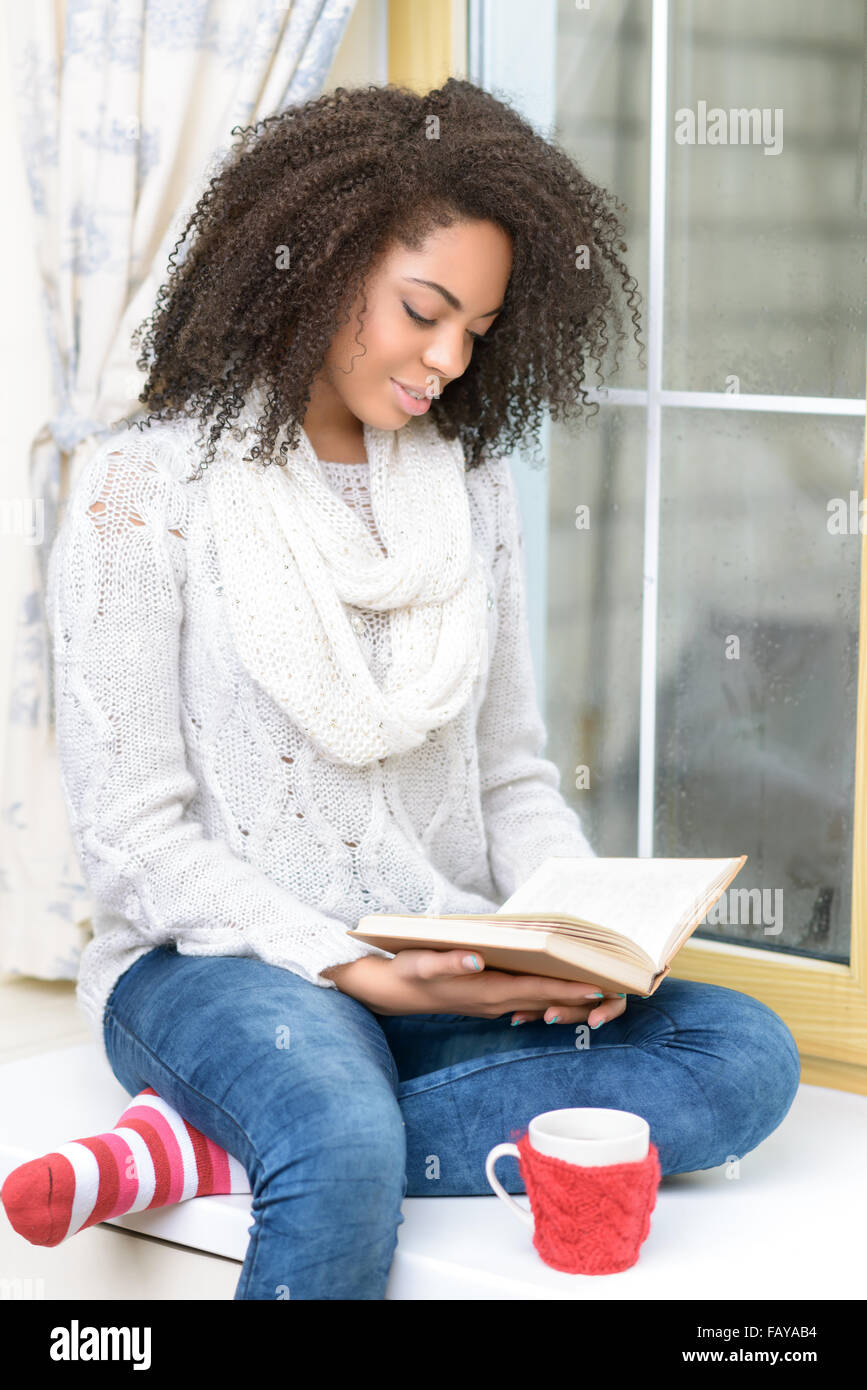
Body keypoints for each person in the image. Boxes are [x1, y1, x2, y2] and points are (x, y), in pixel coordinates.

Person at [1, 79, 800, 1300]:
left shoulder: (467, 495)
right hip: (220, 967)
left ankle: (203, 1146)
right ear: (316, 264)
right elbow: (136, 843)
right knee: (338, 1130)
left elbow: (510, 773)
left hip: (443, 956)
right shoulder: (141, 491)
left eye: (477, 328)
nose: (448, 358)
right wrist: (352, 970)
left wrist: (575, 927)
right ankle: (304, 1124)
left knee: (738, 1052)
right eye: (424, 311)